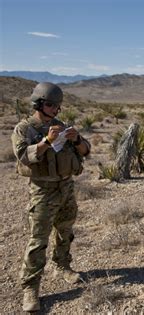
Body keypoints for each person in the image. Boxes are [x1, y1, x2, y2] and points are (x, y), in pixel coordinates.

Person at [11, 82, 91, 312]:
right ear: (39, 104)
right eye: (50, 105)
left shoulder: (63, 127)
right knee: (38, 239)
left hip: (65, 187)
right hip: (43, 190)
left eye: (58, 106)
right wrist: (45, 142)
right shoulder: (24, 129)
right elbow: (23, 156)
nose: (55, 109)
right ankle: (31, 288)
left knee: (65, 230)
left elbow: (86, 151)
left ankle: (62, 266)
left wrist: (76, 140)